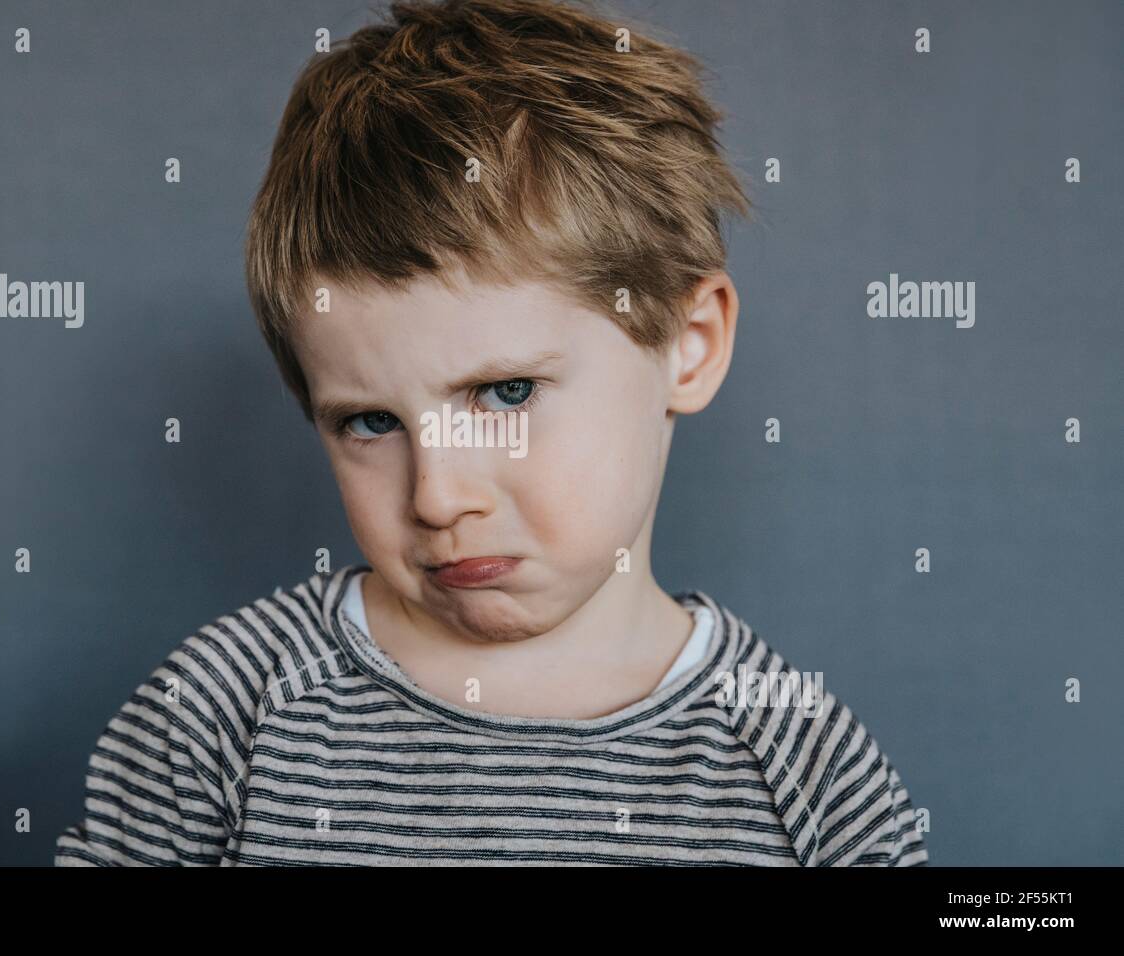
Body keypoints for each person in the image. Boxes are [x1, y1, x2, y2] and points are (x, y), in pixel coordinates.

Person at [56, 0, 927, 866]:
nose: (437, 495)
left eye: (506, 392)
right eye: (370, 421)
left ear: (687, 347)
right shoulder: (220, 717)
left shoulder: (807, 773)